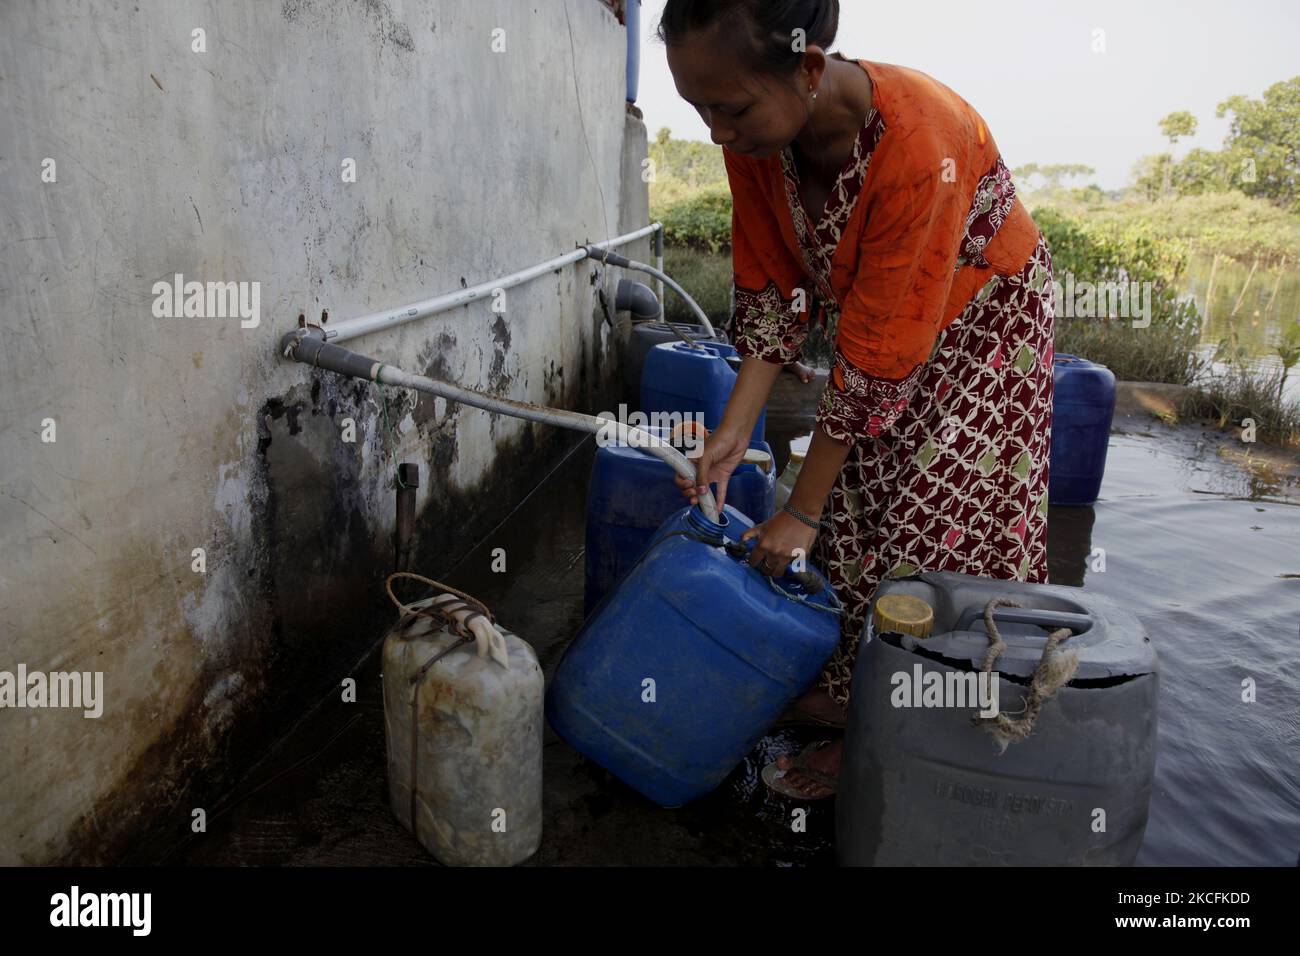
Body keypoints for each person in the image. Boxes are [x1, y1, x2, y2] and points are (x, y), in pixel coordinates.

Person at [662, 0, 1055, 798]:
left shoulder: (921, 139)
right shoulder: (758, 139)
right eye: (698, 110)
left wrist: (796, 515)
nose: (715, 133)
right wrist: (735, 433)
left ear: (808, 69)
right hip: (891, 335)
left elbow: (874, 361)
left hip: (986, 323)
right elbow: (773, 290)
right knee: (857, 502)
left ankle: (900, 727)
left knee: (926, 521)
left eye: (728, 108)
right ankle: (850, 691)